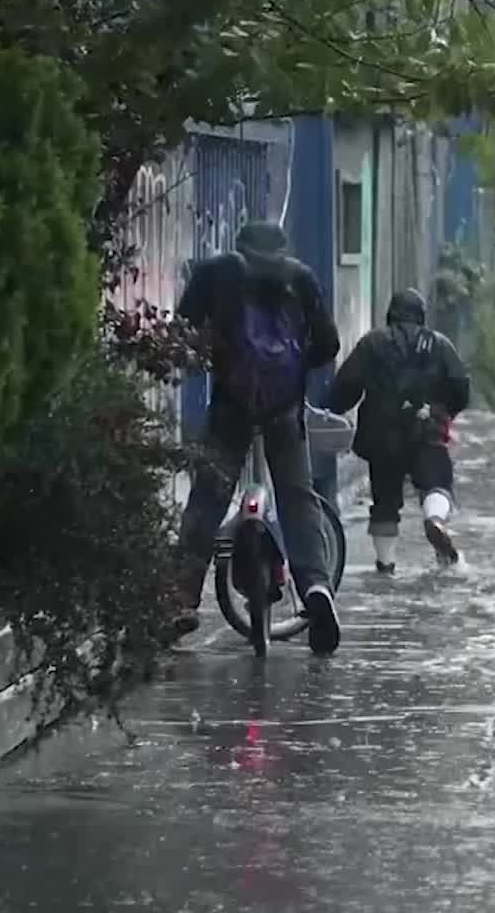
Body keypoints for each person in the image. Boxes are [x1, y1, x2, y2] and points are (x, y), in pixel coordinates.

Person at [175, 221, 342, 654]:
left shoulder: (215, 272)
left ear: (240, 245)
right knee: (298, 498)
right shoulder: (300, 277)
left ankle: (177, 600)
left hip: (231, 407)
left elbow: (183, 331)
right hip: (284, 410)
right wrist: (296, 364)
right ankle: (317, 589)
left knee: (207, 499)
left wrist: (215, 355)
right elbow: (328, 344)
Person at [328, 288, 471, 571]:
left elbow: (346, 386)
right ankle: (434, 520)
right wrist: (443, 410)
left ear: (390, 315)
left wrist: (334, 410)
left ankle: (386, 565)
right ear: (422, 316)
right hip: (426, 428)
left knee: (385, 502)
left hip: (383, 437)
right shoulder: (440, 344)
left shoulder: (372, 343)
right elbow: (461, 387)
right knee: (436, 483)